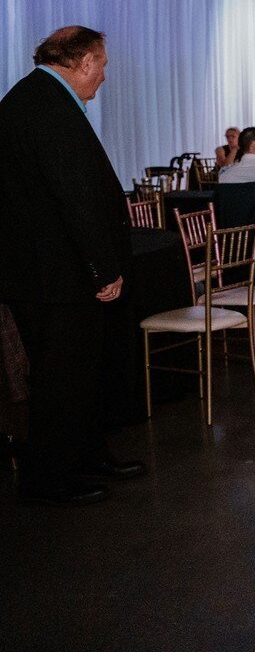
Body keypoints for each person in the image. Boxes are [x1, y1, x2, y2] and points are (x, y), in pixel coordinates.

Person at [0, 26, 144, 505]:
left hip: (49, 274)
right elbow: (73, 197)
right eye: (102, 64)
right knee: (61, 380)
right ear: (83, 61)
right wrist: (102, 269)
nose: (104, 76)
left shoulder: (36, 98)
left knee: (80, 375)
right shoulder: (45, 106)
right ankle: (48, 481)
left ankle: (86, 456)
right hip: (55, 277)